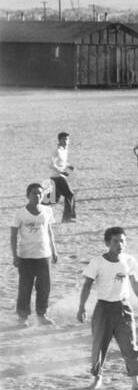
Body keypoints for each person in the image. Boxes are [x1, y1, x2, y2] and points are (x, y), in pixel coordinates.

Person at [76, 226, 138, 390]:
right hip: (104, 308)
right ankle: (97, 378)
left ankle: (135, 381)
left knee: (130, 345)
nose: (119, 244)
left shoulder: (129, 260)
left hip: (124, 307)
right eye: (115, 241)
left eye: (122, 241)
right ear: (107, 243)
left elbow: (134, 282)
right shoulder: (98, 262)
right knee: (99, 345)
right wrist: (81, 307)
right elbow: (87, 284)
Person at [11, 182, 59, 327]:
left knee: (44, 286)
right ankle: (23, 316)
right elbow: (13, 235)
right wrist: (15, 256)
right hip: (26, 256)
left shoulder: (47, 210)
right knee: (25, 287)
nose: (37, 196)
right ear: (27, 196)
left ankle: (41, 314)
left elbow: (49, 231)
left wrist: (54, 250)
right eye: (34, 193)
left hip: (44, 255)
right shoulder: (20, 213)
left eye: (40, 193)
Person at [49, 132, 77, 223]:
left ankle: (37, 206)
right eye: (64, 139)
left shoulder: (65, 150)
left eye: (67, 139)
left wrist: (69, 166)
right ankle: (68, 218)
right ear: (60, 140)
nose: (66, 141)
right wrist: (61, 171)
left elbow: (62, 162)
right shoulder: (56, 151)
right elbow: (51, 165)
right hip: (57, 177)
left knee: (54, 199)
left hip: (60, 177)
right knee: (70, 194)